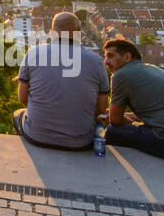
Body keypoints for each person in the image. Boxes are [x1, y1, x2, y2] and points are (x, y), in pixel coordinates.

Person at [13, 12, 109, 150]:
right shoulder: (96, 61)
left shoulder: (34, 53)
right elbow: (100, 109)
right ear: (79, 32)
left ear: (52, 33)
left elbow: (23, 98)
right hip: (80, 141)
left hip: (37, 137)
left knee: (17, 114)